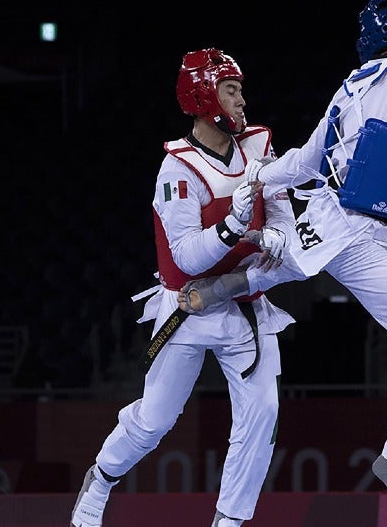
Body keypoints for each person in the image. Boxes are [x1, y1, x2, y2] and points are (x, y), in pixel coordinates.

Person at [178, 0, 387, 519]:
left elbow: (303, 161)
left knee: (291, 260)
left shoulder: (352, 84)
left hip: (331, 217)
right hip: (356, 228)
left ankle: (224, 285)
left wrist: (255, 178)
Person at [70, 47, 297, 527]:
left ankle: (229, 522)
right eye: (231, 90)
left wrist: (279, 231)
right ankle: (101, 479)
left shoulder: (259, 146)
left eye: (240, 90)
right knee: (154, 420)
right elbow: (186, 257)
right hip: (187, 307)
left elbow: (280, 210)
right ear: (204, 95)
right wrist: (233, 227)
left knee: (262, 416)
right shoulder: (176, 169)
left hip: (246, 304)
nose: (242, 100)